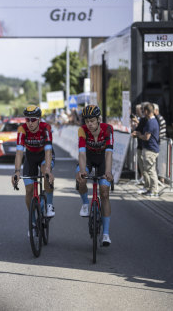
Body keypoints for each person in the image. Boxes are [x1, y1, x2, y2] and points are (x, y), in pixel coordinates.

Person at [75, 105, 114, 246]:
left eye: (92, 120)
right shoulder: (82, 130)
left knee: (104, 193)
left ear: (98, 119)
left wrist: (108, 172)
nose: (89, 124)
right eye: (87, 121)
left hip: (103, 159)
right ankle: (86, 203)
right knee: (79, 176)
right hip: (89, 158)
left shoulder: (107, 129)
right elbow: (81, 153)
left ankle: (106, 234)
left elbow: (109, 153)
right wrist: (82, 170)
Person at [12, 105, 56, 227]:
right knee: (29, 190)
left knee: (45, 172)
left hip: (44, 155)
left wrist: (47, 169)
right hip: (30, 157)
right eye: (28, 119)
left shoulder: (45, 128)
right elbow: (19, 152)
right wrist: (17, 171)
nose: (30, 123)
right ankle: (32, 219)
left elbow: (48, 150)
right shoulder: (22, 129)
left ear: (39, 119)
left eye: (33, 120)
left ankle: (49, 205)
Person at [132, 103, 160, 197]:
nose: (143, 113)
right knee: (149, 169)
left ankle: (154, 190)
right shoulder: (152, 121)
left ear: (147, 111)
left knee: (151, 170)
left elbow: (146, 137)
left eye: (143, 111)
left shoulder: (151, 122)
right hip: (149, 148)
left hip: (150, 149)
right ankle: (150, 188)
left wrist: (139, 135)